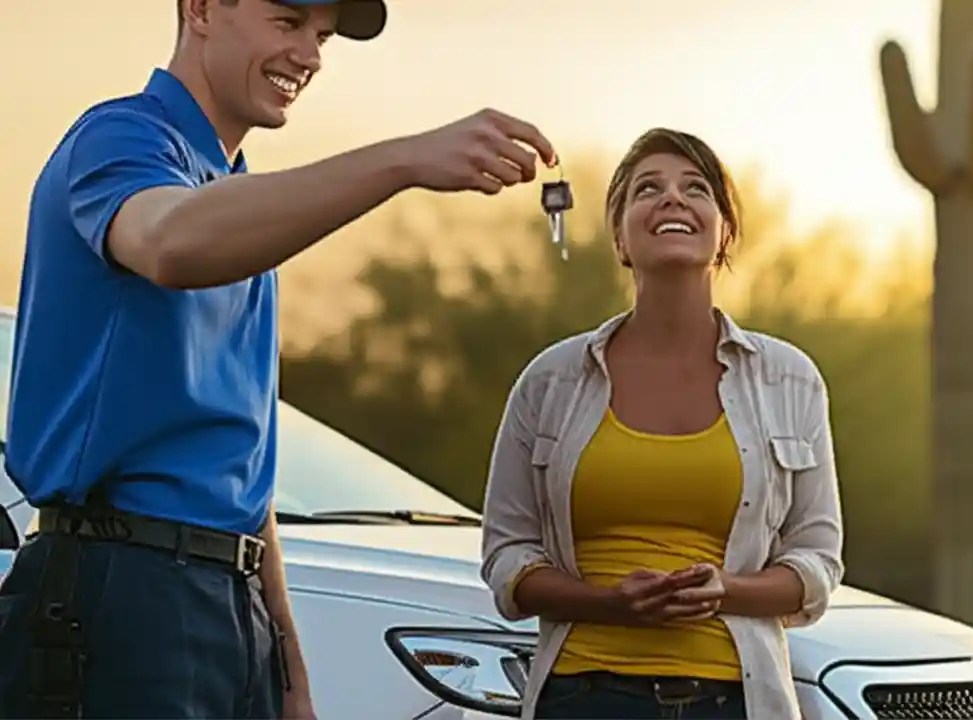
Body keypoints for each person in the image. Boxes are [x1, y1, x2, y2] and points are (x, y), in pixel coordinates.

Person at [0, 1, 557, 718]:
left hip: (230, 607)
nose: (311, 56)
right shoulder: (121, 139)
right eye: (288, 22)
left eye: (320, 37)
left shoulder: (237, 196)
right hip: (119, 593)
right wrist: (404, 159)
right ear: (200, 8)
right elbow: (168, 243)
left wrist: (288, 670)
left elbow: (246, 470)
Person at [480, 128, 845, 720]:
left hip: (732, 700)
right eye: (647, 189)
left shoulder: (790, 380)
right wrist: (609, 602)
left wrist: (725, 589)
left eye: (696, 188)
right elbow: (507, 559)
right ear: (621, 240)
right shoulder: (551, 381)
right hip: (583, 696)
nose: (672, 198)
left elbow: (817, 562)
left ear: (723, 232)